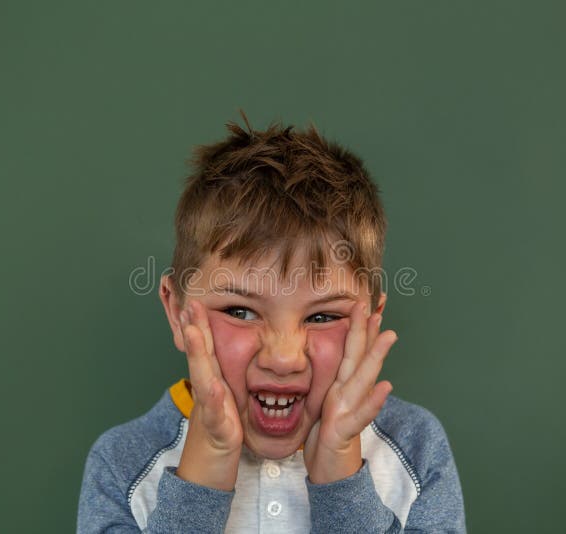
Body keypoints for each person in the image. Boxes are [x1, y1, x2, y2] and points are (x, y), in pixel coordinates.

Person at [77, 114, 467, 533]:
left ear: (369, 326)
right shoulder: (120, 465)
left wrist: (340, 479)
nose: (283, 358)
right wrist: (204, 469)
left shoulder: (417, 450)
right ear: (176, 312)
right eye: (240, 311)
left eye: (322, 316)